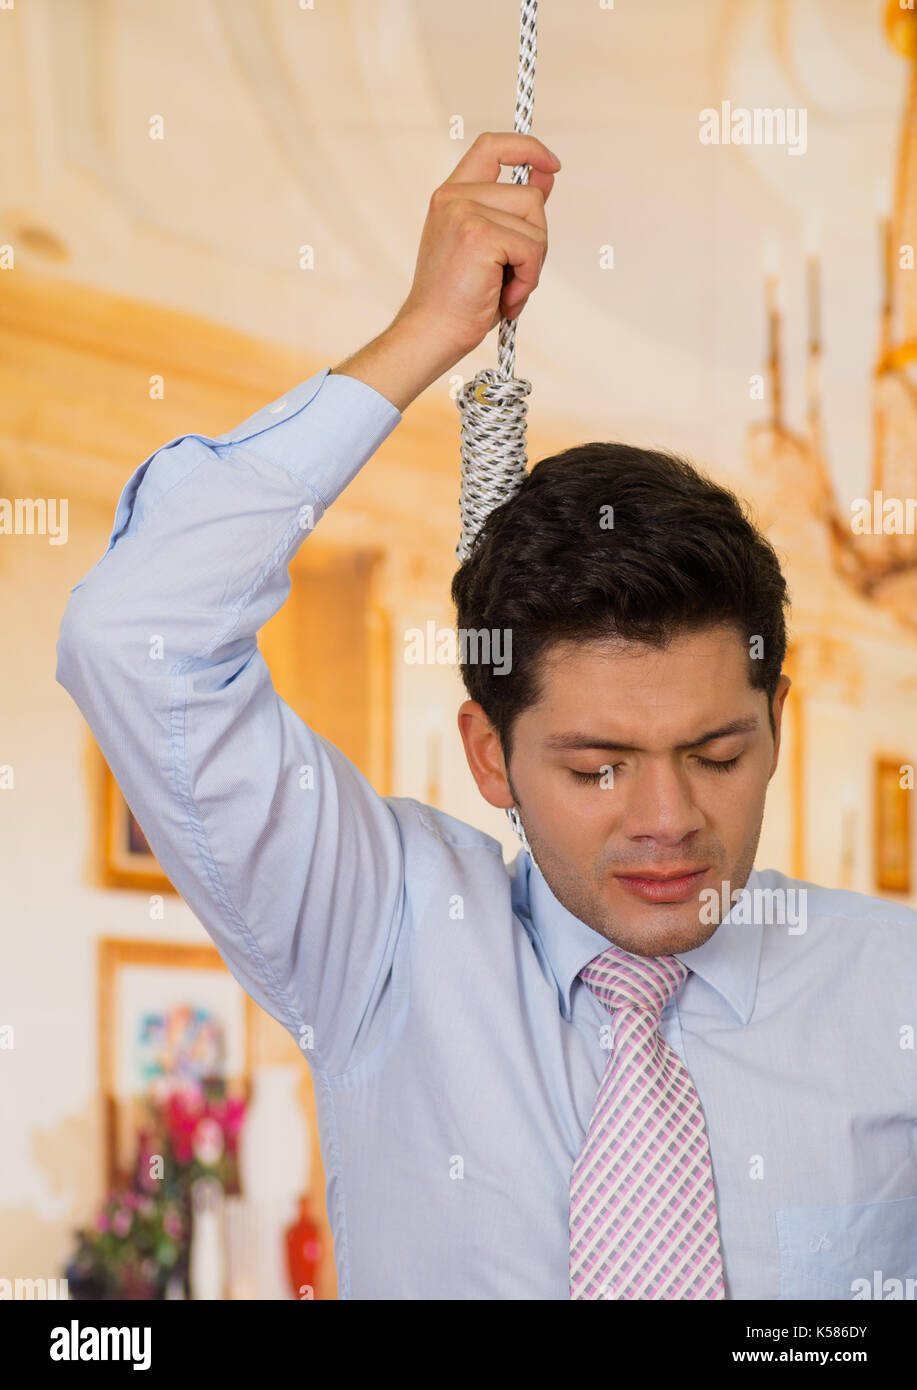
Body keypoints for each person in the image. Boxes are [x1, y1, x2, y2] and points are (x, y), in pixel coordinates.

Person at [56, 132, 917, 1301]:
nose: (667, 819)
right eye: (596, 767)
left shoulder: (891, 984)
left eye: (716, 752)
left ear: (777, 718)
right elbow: (133, 633)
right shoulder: (378, 939)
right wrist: (421, 336)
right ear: (489, 756)